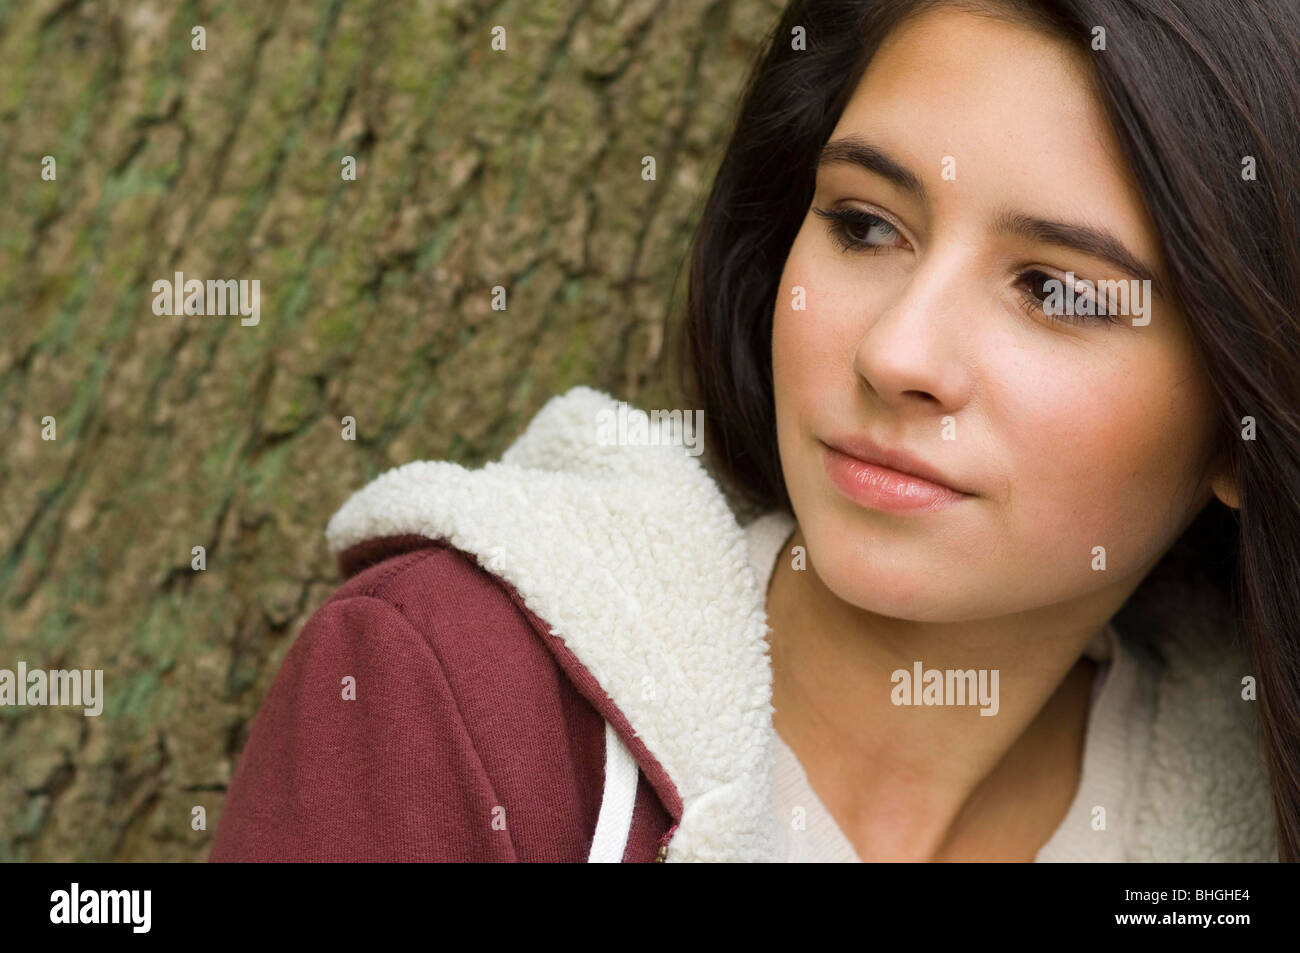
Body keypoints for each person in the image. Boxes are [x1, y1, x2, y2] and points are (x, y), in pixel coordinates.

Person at [210, 0, 1299, 862]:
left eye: (1055, 290)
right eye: (865, 224)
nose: (896, 353)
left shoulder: (1240, 813)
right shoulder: (457, 688)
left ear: (1235, 420)